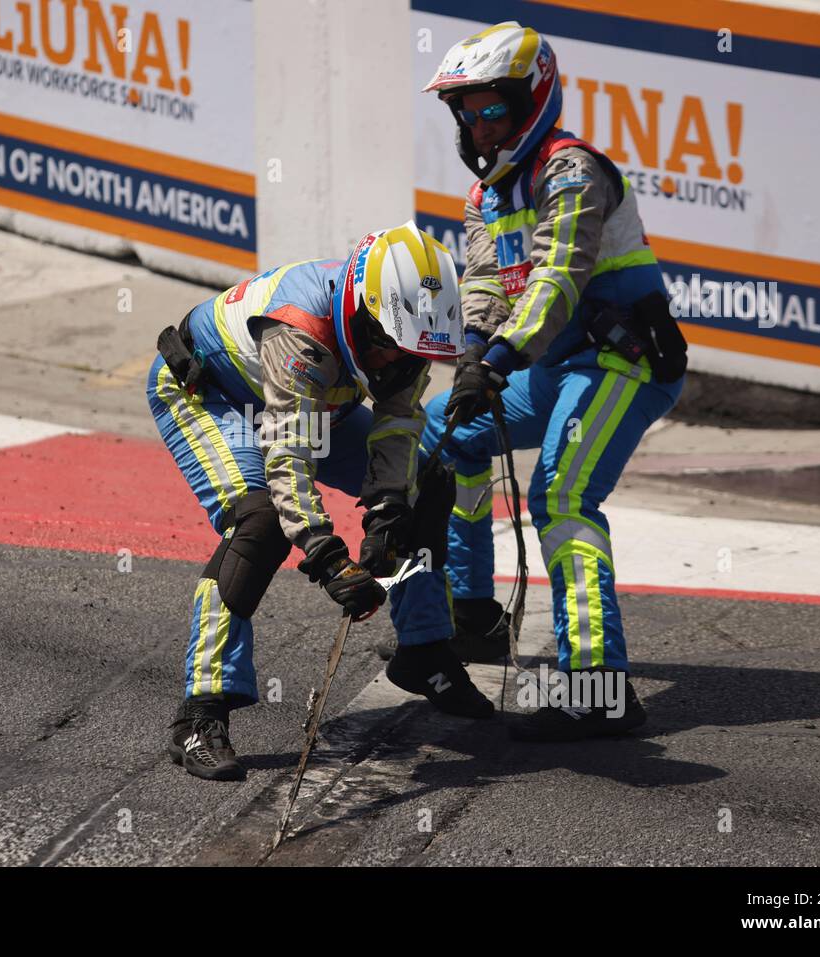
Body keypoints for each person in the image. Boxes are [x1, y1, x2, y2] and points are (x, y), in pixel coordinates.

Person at [147, 222, 496, 781]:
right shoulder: (299, 333)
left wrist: (387, 511)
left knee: (426, 484)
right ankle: (199, 714)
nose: (391, 365)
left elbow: (399, 425)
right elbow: (289, 457)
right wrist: (329, 557)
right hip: (211, 397)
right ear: (360, 311)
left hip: (310, 403)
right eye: (384, 348)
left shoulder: (408, 333)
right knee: (259, 523)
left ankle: (424, 649)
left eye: (407, 354)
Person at [418, 22, 689, 740]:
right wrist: (474, 349)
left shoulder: (571, 171)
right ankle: (474, 615)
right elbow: (482, 281)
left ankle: (597, 687)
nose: (478, 126)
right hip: (547, 365)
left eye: (492, 110)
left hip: (619, 362)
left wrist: (497, 359)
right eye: (467, 112)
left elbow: (558, 279)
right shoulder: (485, 196)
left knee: (563, 493)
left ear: (531, 98)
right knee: (443, 432)